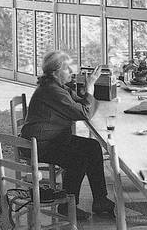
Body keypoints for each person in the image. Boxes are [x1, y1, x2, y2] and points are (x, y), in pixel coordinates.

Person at [20, 50, 116, 219]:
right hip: (39, 145)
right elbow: (85, 113)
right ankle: (67, 206)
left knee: (92, 146)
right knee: (78, 159)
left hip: (51, 139)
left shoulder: (56, 87)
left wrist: (85, 90)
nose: (72, 72)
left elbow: (78, 103)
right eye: (68, 69)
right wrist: (90, 88)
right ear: (56, 72)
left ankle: (100, 199)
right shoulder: (53, 91)